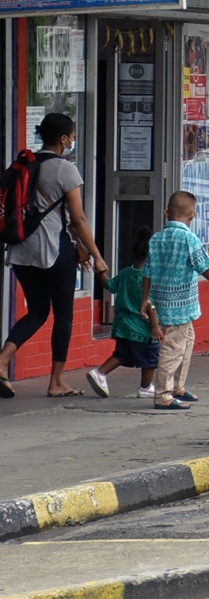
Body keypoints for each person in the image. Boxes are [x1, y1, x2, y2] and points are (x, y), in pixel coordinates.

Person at [0, 112, 110, 398]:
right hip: (52, 248)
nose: (73, 141)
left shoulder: (26, 162)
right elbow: (78, 219)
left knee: (37, 310)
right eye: (72, 136)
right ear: (62, 139)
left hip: (21, 248)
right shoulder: (65, 169)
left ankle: (1, 360)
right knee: (64, 316)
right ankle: (56, 382)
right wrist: (97, 256)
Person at [146, 190, 209, 410]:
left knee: (188, 339)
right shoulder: (189, 239)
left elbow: (147, 271)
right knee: (172, 348)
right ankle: (162, 394)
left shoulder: (156, 238)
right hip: (180, 304)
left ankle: (177, 387)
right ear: (193, 216)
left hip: (163, 299)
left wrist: (146, 298)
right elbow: (206, 269)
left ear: (166, 212)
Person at [87, 232, 159, 399]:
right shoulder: (149, 278)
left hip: (122, 326)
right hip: (142, 328)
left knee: (122, 354)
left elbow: (110, 285)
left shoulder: (126, 273)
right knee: (151, 355)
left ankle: (100, 373)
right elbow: (150, 303)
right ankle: (146, 386)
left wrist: (100, 273)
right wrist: (155, 326)